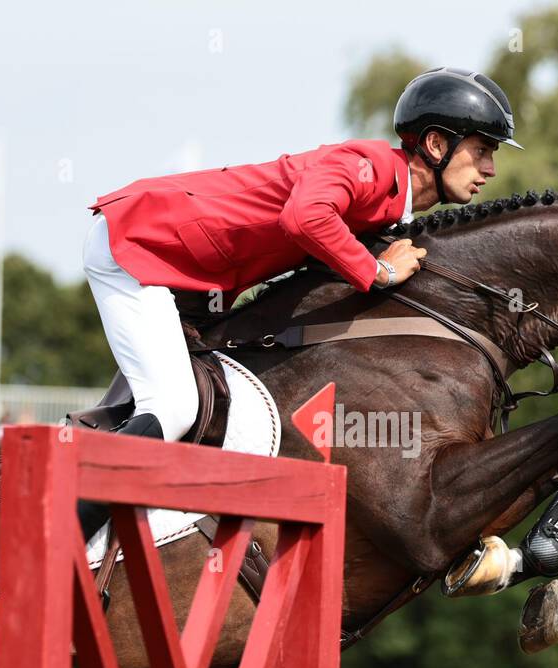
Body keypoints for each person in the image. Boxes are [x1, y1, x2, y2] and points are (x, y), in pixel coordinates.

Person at [83, 67, 521, 445]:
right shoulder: (367, 165)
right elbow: (305, 217)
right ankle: (69, 521)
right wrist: (379, 271)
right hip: (141, 243)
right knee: (175, 406)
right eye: (482, 151)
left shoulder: (391, 203)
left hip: (180, 270)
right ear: (437, 146)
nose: (491, 170)